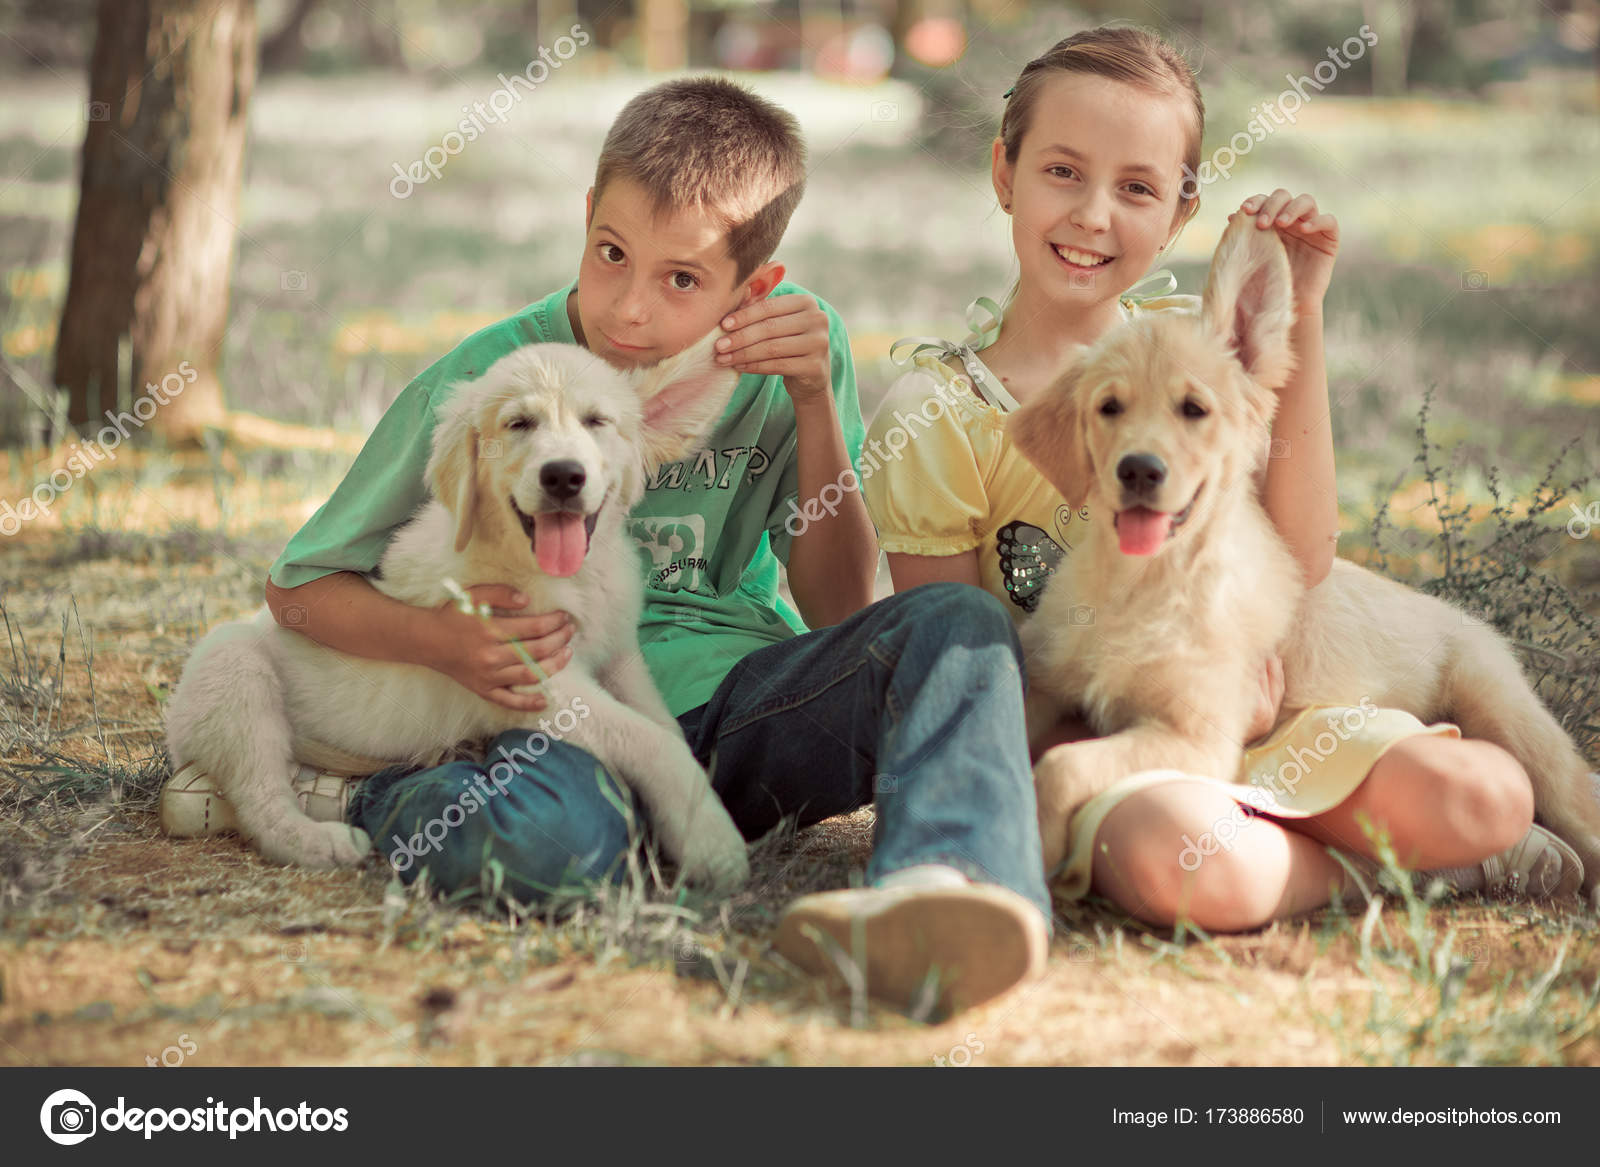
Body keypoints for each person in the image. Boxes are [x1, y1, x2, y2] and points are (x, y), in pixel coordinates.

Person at [161, 76, 1050, 1016]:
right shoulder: (487, 382)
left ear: (752, 289)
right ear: (586, 217)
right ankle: (362, 800)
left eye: (681, 279)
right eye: (611, 253)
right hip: (546, 732)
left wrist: (817, 402)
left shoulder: (790, 356)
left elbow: (838, 608)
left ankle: (943, 887)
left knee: (955, 623)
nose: (629, 308)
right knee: (550, 848)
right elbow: (297, 589)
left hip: (739, 705)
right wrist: (445, 644)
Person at [861, 26, 1583, 932]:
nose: (1093, 215)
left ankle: (1438, 846)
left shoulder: (1203, 347)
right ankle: (1396, 871)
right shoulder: (939, 414)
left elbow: (1306, 550)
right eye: (1061, 172)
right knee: (1196, 865)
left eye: (1136, 187)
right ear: (1003, 172)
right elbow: (961, 678)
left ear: (1178, 209)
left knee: (1486, 795)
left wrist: (1304, 316)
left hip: (1292, 712)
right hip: (1143, 765)